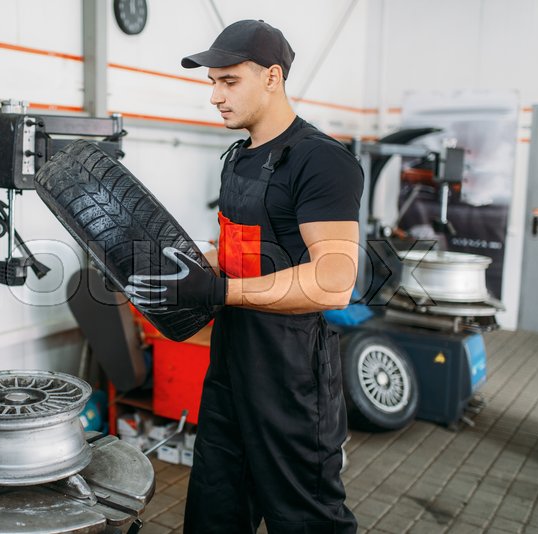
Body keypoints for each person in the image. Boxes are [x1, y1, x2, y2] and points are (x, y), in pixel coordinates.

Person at [125, 19, 364, 533]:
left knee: (305, 520)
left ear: (273, 77)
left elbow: (333, 280)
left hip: (293, 376)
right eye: (211, 81)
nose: (215, 96)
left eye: (228, 81)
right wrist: (179, 268)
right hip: (231, 368)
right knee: (215, 512)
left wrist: (221, 290)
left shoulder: (321, 161)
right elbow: (237, 253)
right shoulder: (239, 157)